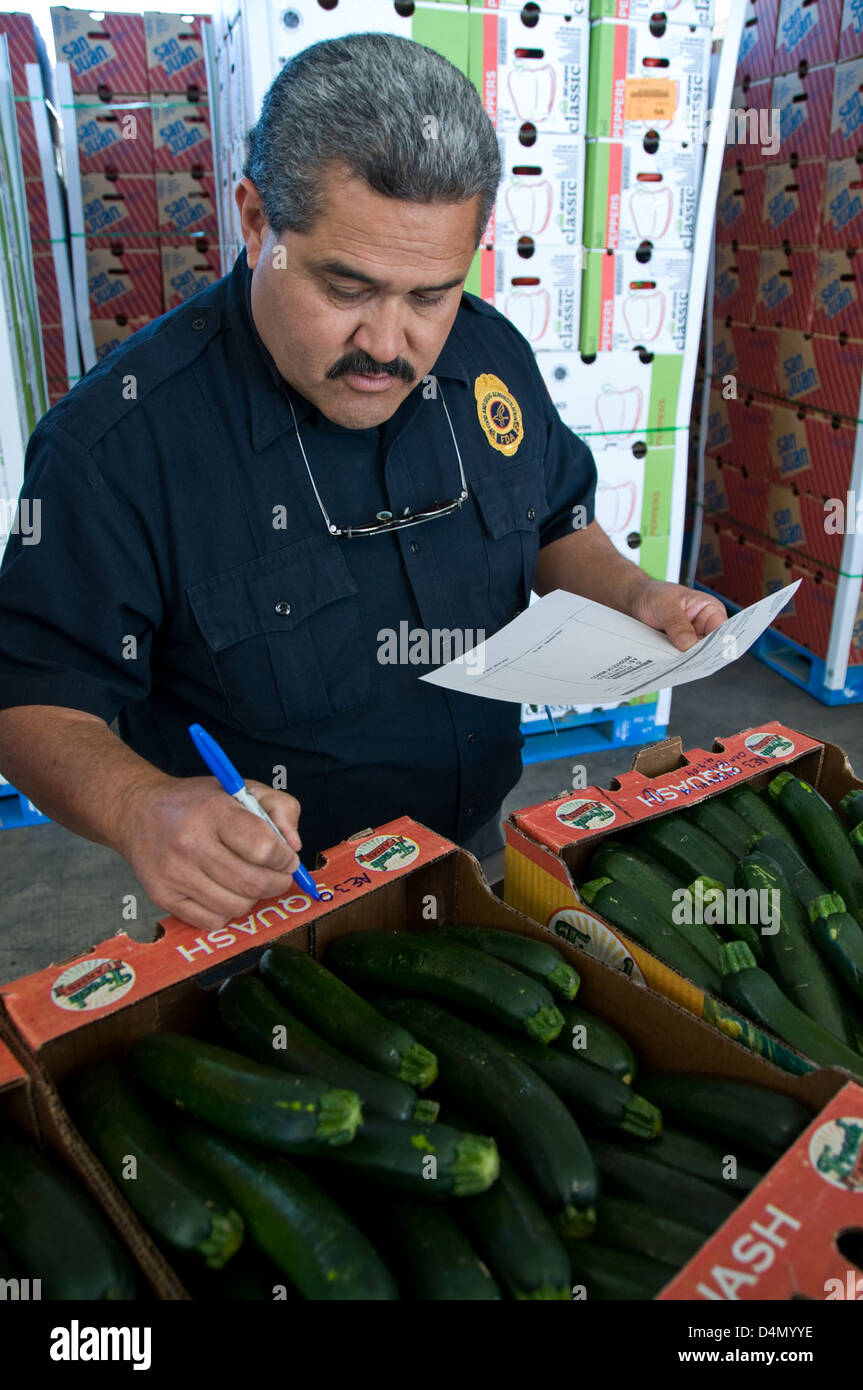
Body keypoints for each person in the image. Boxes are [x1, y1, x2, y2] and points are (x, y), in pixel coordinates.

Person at [0, 34, 726, 931]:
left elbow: (554, 522)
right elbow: (33, 692)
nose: (389, 343)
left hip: (478, 851)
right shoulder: (118, 444)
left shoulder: (487, 353)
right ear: (257, 220)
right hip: (264, 907)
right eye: (346, 288)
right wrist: (139, 809)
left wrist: (638, 594)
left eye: (429, 294)